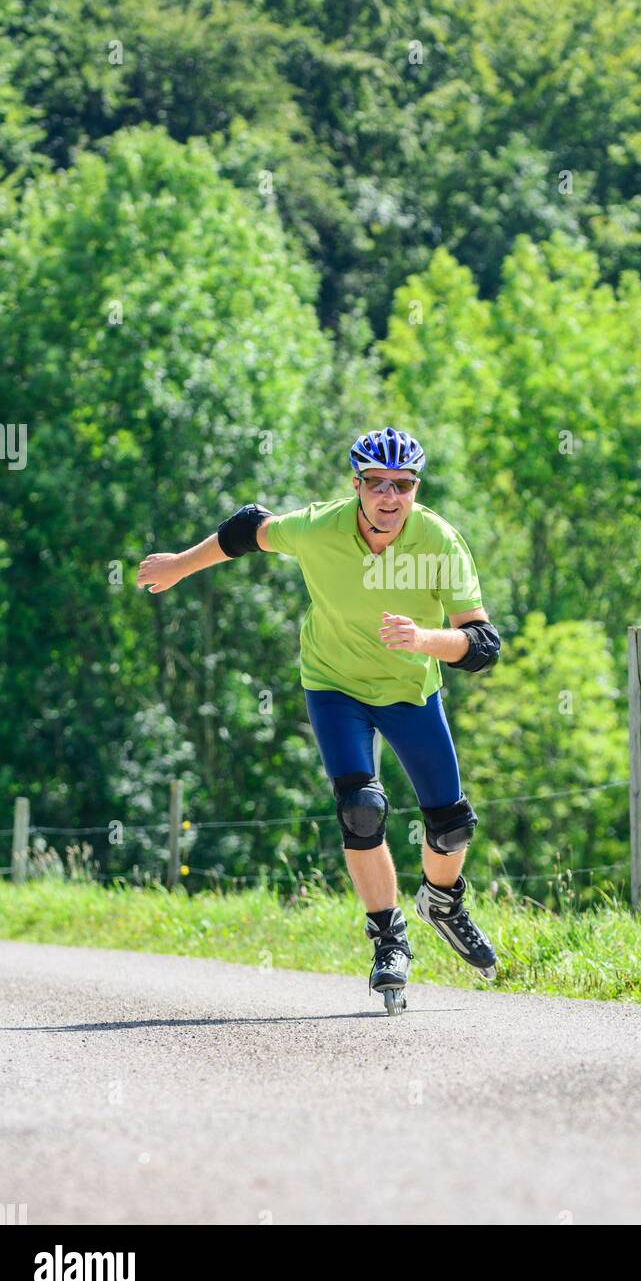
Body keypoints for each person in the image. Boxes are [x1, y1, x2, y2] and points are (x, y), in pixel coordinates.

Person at [137, 426, 501, 1011]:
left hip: (409, 691)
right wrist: (181, 565)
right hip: (334, 687)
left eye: (403, 485)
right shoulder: (316, 527)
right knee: (362, 810)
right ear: (356, 486)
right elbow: (244, 530)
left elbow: (482, 644)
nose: (390, 497)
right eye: (377, 484)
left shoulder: (439, 541)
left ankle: (443, 901)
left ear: (415, 489)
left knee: (451, 825)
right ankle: (388, 937)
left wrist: (423, 639)